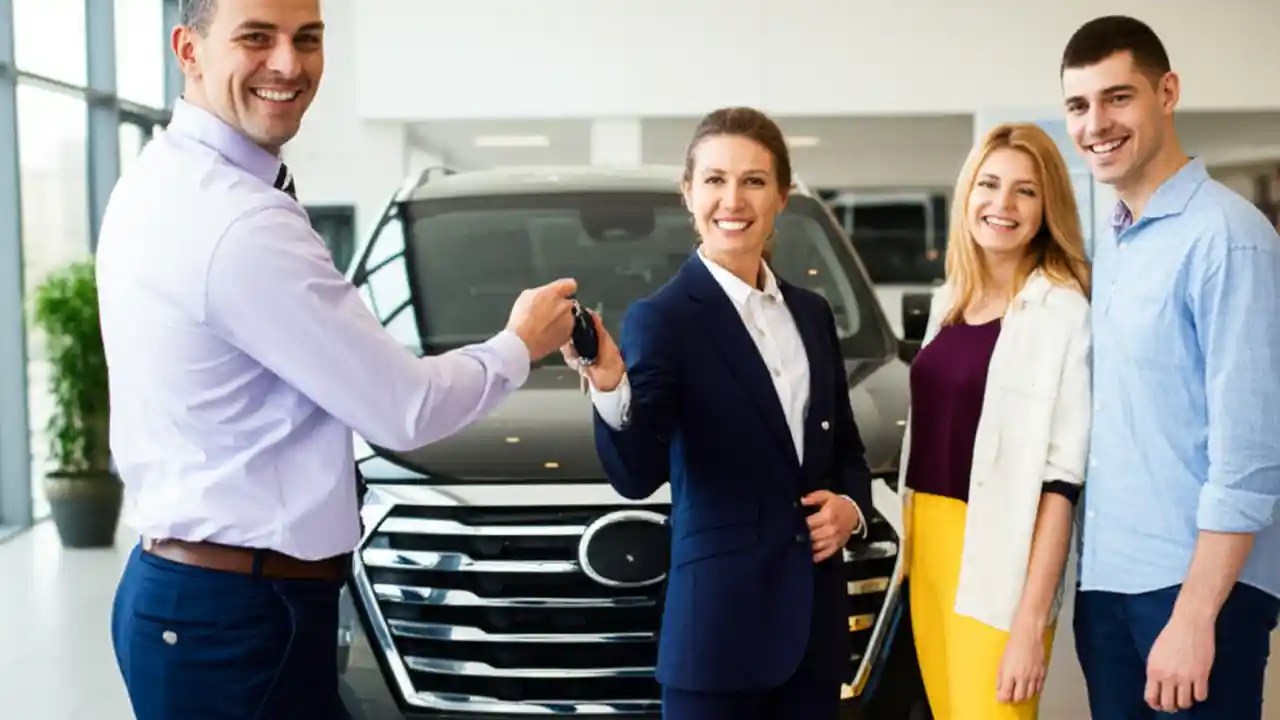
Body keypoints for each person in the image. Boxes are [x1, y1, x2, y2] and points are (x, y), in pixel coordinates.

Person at [96, 1, 577, 718]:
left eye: (307, 38)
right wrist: (518, 344)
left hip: (198, 595)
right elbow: (402, 407)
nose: (288, 64)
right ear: (189, 50)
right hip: (242, 616)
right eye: (256, 38)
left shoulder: (163, 178)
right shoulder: (238, 220)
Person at [561, 107, 873, 719]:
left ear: (782, 195)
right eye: (714, 180)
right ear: (689, 193)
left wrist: (851, 509)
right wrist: (608, 383)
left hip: (812, 636)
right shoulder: (665, 318)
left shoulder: (811, 314)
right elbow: (636, 471)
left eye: (754, 180)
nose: (733, 199)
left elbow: (846, 453)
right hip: (718, 642)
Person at [1060, 15, 1280, 720]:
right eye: (1078, 105)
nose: (1096, 123)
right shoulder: (1119, 241)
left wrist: (1193, 617)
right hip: (1111, 585)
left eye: (1117, 98)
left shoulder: (1228, 236)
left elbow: (1250, 453)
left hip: (1193, 593)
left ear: (1167, 91)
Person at [897, 122, 1092, 719]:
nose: (1002, 205)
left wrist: (1031, 621)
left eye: (1025, 191)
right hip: (927, 551)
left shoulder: (1062, 311)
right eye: (989, 184)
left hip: (1000, 561)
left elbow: (1061, 485)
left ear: (1047, 206)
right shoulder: (949, 300)